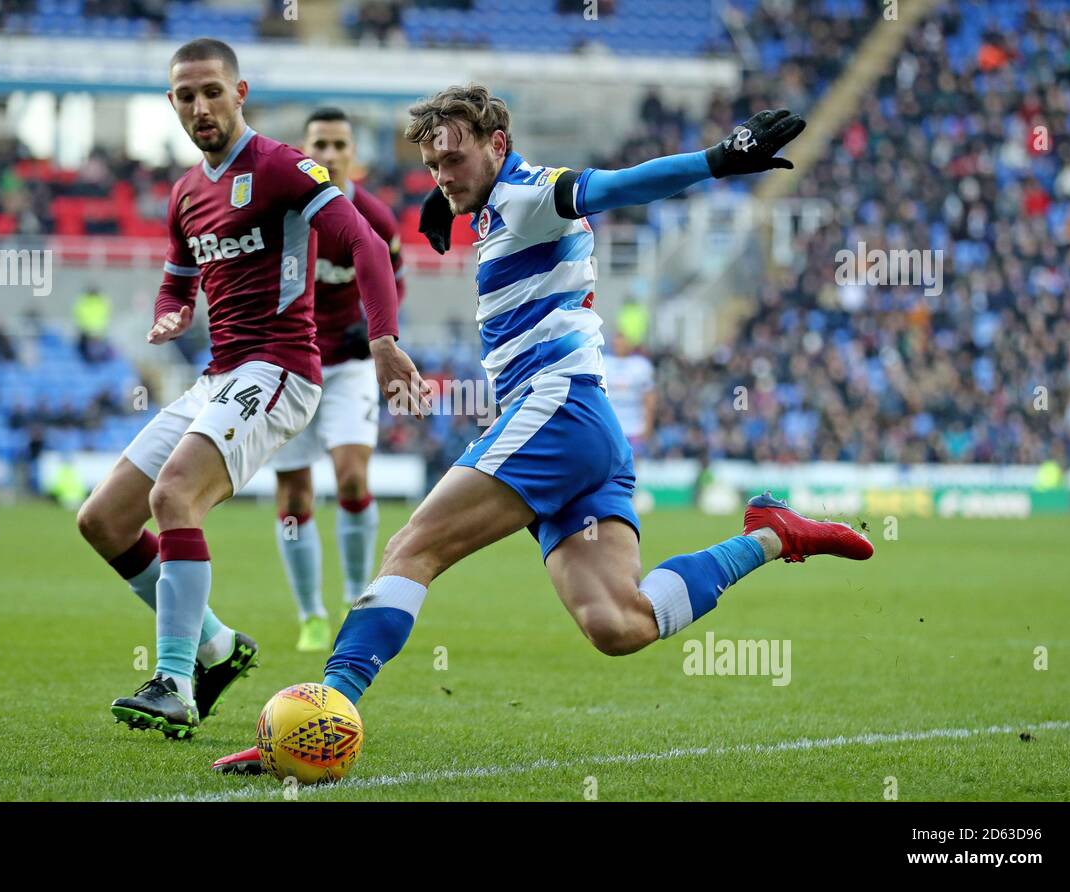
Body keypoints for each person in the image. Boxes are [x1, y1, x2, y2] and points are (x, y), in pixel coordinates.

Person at [212, 87, 871, 774]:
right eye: (432, 165)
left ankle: (320, 715)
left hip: (554, 410)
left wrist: (716, 159)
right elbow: (491, 205)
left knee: (412, 549)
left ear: (498, 145)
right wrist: (459, 197)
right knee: (620, 625)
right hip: (589, 431)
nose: (442, 176)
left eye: (455, 159)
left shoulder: (531, 194)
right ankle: (770, 536)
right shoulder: (498, 203)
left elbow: (619, 187)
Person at [74, 38, 426, 741]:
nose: (199, 106)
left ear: (240, 93)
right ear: (171, 104)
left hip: (283, 367)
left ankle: (174, 681)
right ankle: (215, 646)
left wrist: (384, 341)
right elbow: (179, 276)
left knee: (173, 496)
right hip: (218, 374)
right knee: (103, 521)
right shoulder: (184, 192)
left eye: (211, 91)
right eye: (185, 95)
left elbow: (362, 242)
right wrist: (168, 312)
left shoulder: (282, 167)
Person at [270, 107, 406, 652]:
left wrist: (375, 329)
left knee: (352, 477)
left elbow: (393, 285)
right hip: (289, 364)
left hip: (349, 366)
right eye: (318, 145)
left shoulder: (376, 218)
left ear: (354, 154)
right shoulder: (284, 215)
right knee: (294, 495)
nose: (328, 155)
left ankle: (356, 598)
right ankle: (310, 614)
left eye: (338, 146)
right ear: (305, 151)